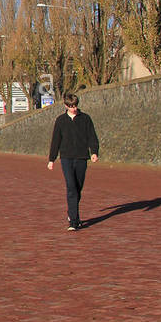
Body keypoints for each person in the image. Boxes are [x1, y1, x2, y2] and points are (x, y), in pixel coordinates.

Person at [47, 92, 99, 230]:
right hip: (66, 158)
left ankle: (72, 212)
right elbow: (55, 140)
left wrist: (94, 152)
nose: (73, 108)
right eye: (70, 106)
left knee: (78, 187)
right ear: (65, 105)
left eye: (75, 106)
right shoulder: (60, 121)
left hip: (82, 157)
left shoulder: (85, 119)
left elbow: (92, 136)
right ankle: (74, 222)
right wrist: (52, 159)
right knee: (71, 187)